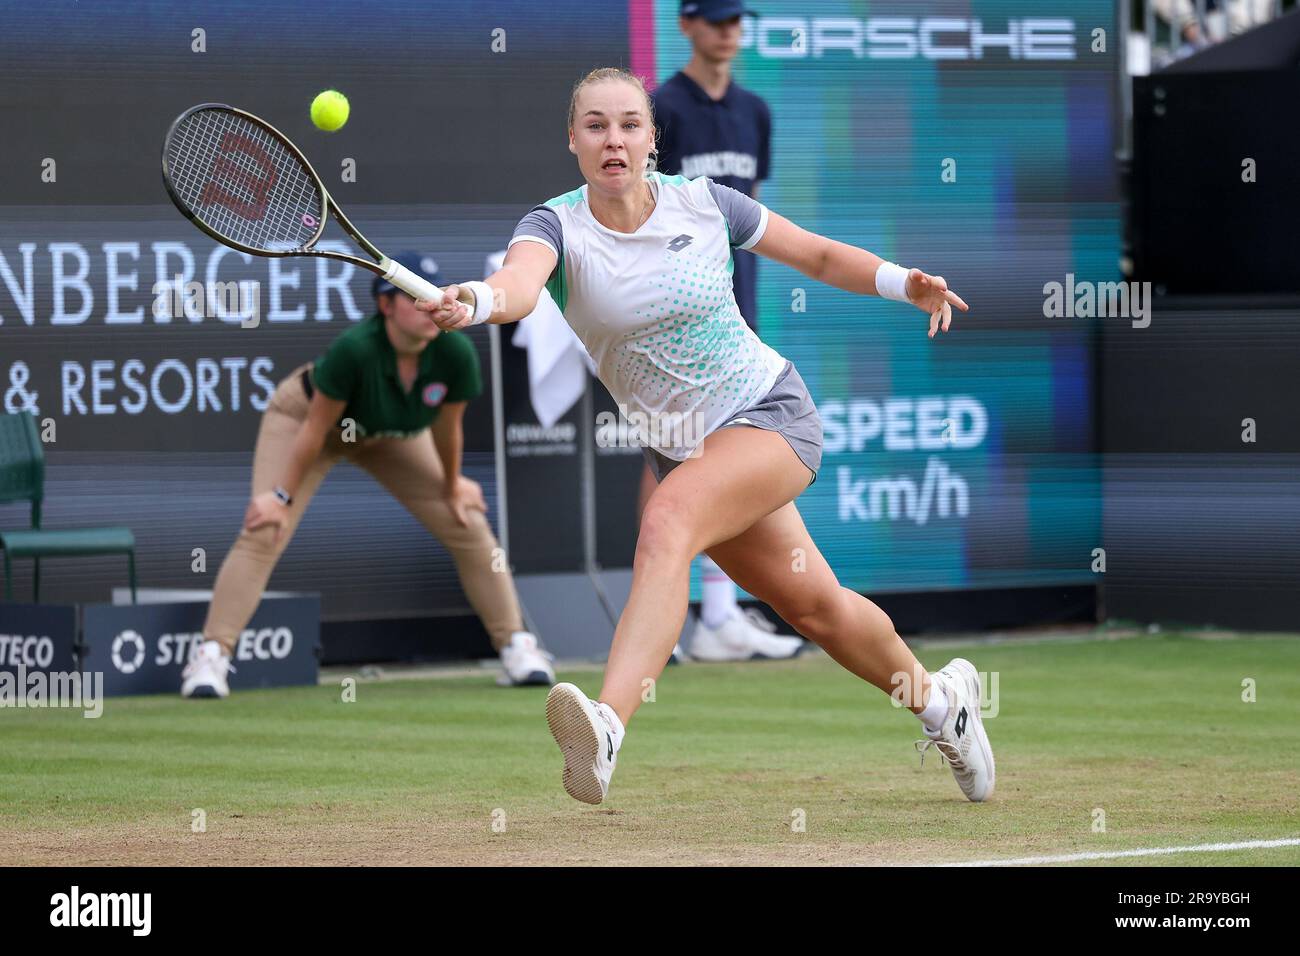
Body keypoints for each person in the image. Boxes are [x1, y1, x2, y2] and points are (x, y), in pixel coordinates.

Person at [419, 69, 993, 805]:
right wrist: (475, 299)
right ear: (573, 140)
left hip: (767, 414)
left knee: (667, 519)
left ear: (653, 137)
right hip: (690, 449)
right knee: (815, 607)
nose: (614, 140)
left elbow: (813, 254)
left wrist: (900, 282)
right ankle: (946, 706)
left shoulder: (704, 202)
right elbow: (521, 287)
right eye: (595, 125)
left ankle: (608, 729)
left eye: (629, 123)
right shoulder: (553, 226)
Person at [180, 252, 555, 698]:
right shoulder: (355, 349)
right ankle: (210, 658)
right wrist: (279, 497)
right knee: (266, 528)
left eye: (433, 294)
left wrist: (452, 486)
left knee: (467, 520)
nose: (430, 305)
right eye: (415, 296)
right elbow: (316, 430)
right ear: (386, 306)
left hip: (385, 433)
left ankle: (517, 646)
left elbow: (447, 428)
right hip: (306, 422)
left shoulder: (454, 350)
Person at [645, 0, 803, 663]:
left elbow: (747, 218)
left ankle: (718, 614)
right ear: (685, 25)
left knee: (729, 460)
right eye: (714, 20)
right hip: (670, 317)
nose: (728, 32)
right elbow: (641, 213)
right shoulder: (661, 107)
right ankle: (670, 623)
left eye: (736, 20)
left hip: (739, 312)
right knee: (669, 464)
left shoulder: (755, 112)